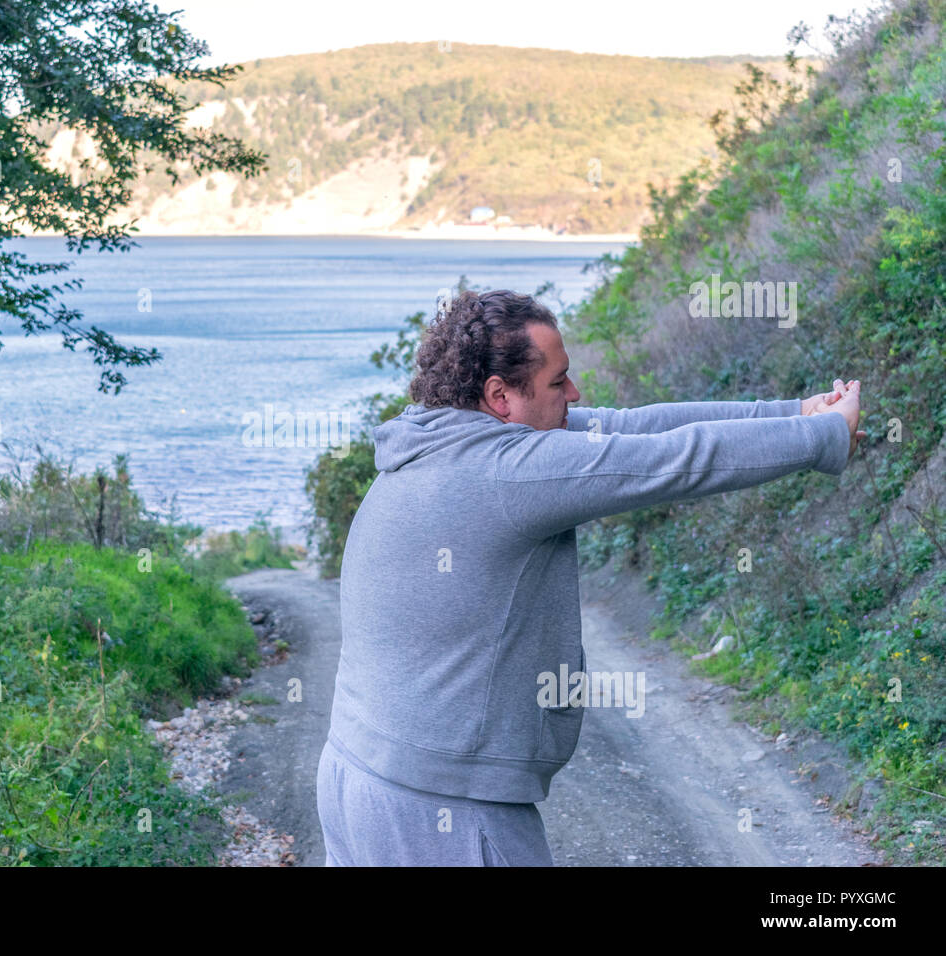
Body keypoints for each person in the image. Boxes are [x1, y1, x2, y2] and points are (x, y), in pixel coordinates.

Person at [316, 289, 865, 867]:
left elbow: (637, 428)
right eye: (559, 383)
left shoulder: (432, 439)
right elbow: (674, 461)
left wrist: (795, 412)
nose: (574, 394)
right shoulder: (510, 473)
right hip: (445, 812)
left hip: (355, 780)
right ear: (500, 396)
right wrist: (823, 438)